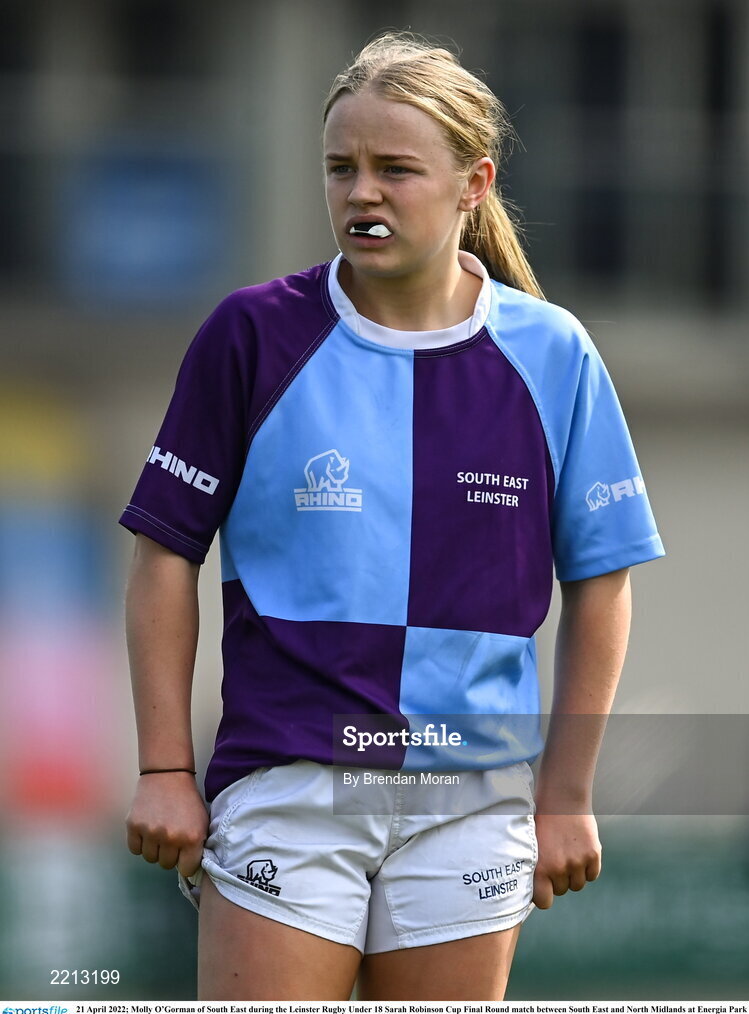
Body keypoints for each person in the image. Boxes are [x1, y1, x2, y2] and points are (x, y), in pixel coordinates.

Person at [120, 32, 665, 1001]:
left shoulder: (554, 354)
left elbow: (601, 582)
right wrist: (165, 766)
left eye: (393, 170)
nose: (360, 192)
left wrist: (566, 796)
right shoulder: (251, 334)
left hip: (471, 800)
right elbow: (164, 554)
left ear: (473, 184)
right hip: (287, 784)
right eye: (341, 168)